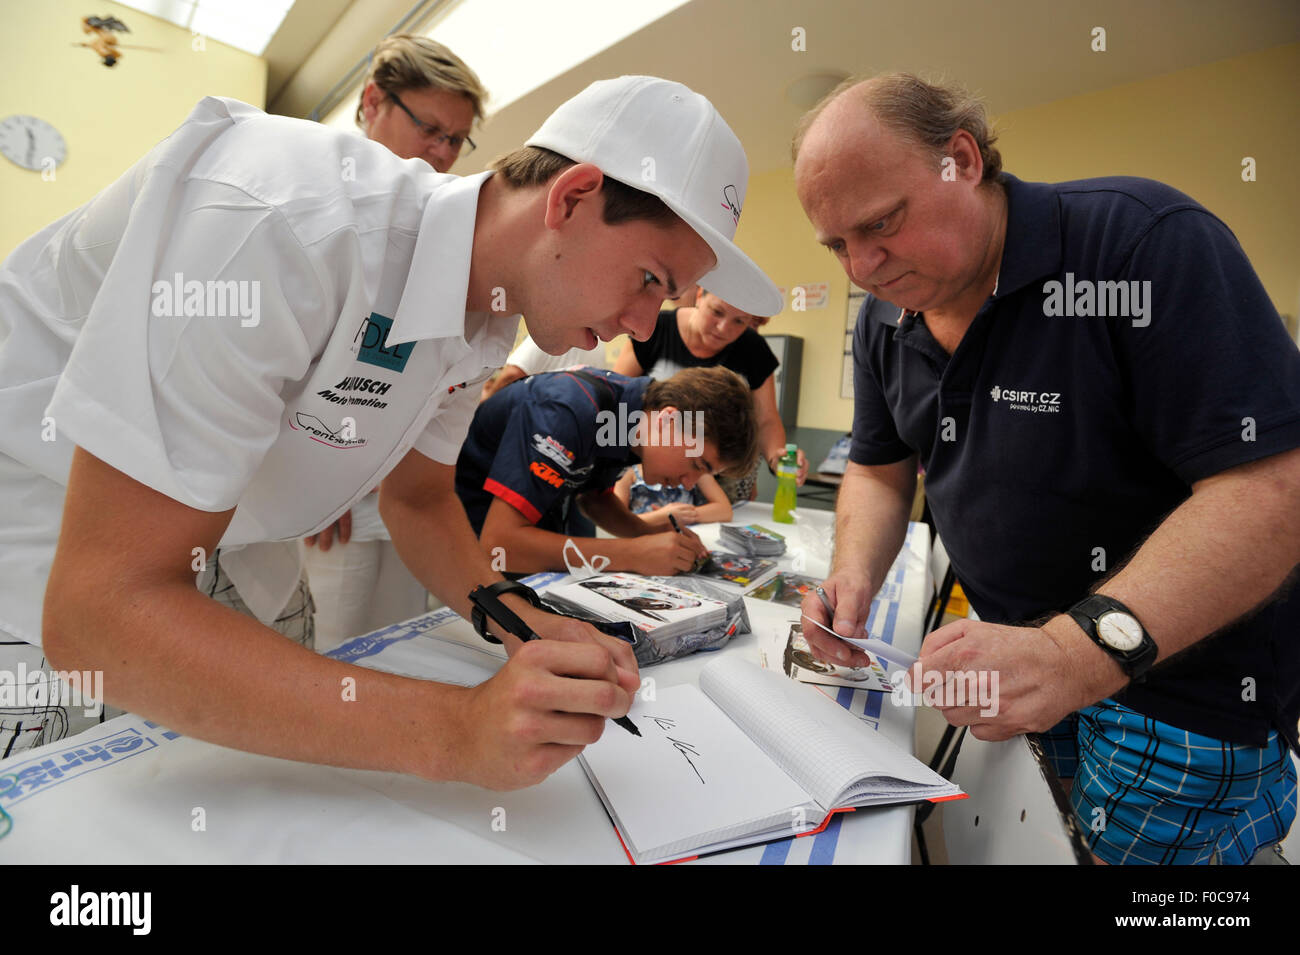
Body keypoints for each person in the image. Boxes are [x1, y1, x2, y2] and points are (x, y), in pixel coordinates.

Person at [0, 75, 782, 792]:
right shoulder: (280, 219)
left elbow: (418, 500)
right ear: (572, 197)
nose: (646, 323)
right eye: (651, 278)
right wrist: (454, 731)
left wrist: (519, 615)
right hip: (43, 557)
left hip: (233, 556)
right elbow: (101, 612)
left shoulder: (483, 313)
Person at [793, 72, 1300, 864]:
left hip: (1180, 690)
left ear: (961, 159)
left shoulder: (1138, 243)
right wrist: (855, 575)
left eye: (881, 223)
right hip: (1016, 662)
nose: (862, 268)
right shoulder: (888, 322)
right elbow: (880, 465)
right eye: (836, 246)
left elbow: (1273, 489)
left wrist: (1076, 652)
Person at [304, 34, 490, 652]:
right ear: (373, 102)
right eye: (430, 129)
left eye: (455, 140)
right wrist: (312, 474)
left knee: (401, 642)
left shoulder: (440, 229)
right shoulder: (317, 204)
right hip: (321, 494)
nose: (441, 153)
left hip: (402, 486)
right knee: (332, 647)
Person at [455, 366, 755, 575]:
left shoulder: (631, 418)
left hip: (524, 543)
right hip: (470, 548)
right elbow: (501, 544)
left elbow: (593, 497)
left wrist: (649, 535)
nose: (690, 484)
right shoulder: (567, 411)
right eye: (696, 465)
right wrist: (635, 554)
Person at [613, 290, 808, 502]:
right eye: (716, 312)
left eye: (739, 322)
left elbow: (766, 419)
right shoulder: (655, 330)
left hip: (722, 481)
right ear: (699, 296)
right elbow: (618, 398)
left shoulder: (753, 349)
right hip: (658, 472)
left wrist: (776, 458)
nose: (723, 328)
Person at [479, 333, 608, 402]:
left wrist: (485, 402)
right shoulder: (596, 343)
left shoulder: (553, 332)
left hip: (534, 417)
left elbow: (511, 375)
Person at [612, 462, 732, 527]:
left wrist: (682, 515)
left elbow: (725, 511)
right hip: (644, 542)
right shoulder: (627, 473)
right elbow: (616, 522)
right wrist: (661, 517)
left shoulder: (697, 468)